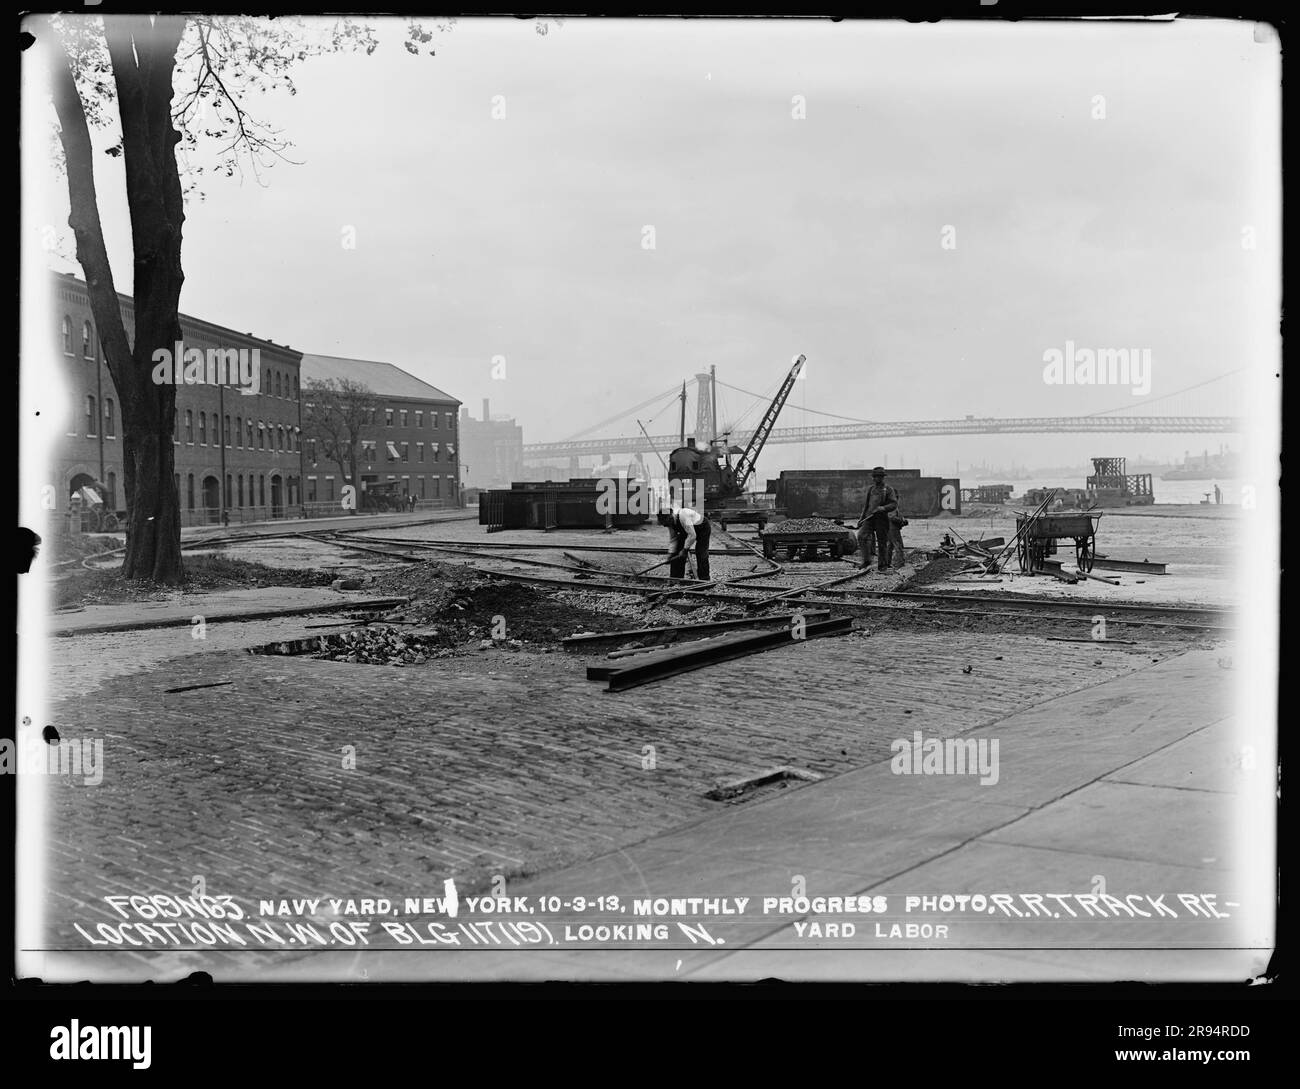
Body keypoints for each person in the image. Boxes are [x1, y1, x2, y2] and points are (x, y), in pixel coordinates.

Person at [857, 467, 898, 571]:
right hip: (869, 518)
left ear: (883, 477)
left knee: (882, 542)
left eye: (880, 476)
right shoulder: (871, 489)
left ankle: (882, 565)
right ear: (873, 478)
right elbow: (866, 505)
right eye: (876, 477)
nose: (877, 479)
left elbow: (894, 504)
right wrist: (861, 519)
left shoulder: (888, 490)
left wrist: (883, 508)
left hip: (881, 519)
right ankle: (866, 560)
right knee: (861, 536)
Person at [658, 506, 710, 580]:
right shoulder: (670, 523)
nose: (665, 525)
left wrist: (685, 550)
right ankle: (676, 578)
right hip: (689, 530)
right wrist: (670, 554)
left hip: (702, 528)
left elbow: (692, 535)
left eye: (665, 523)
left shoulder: (683, 516)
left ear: (669, 517)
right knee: (677, 551)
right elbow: (673, 539)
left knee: (701, 552)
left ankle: (705, 579)